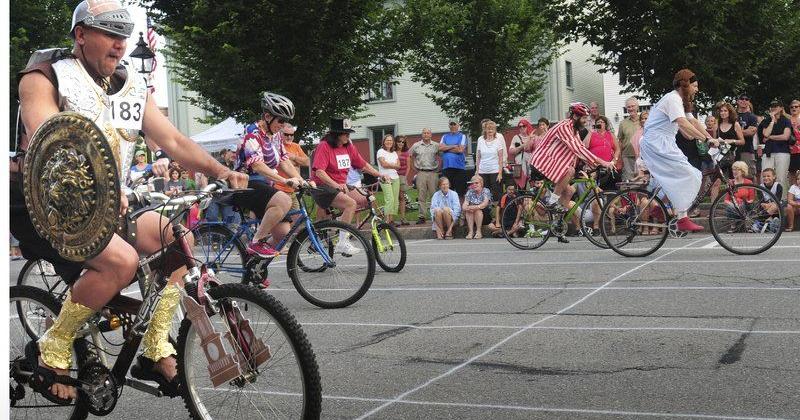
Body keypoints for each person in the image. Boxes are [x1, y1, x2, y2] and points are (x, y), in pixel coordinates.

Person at [11, 0, 250, 402]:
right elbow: (49, 140)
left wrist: (221, 171)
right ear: (81, 35)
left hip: (109, 204)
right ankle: (53, 348)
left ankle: (156, 349)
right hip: (44, 197)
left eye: (124, 36)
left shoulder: (132, 87)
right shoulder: (44, 75)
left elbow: (173, 141)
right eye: (109, 34)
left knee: (174, 242)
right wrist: (102, 186)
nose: (120, 45)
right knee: (120, 263)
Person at [638, 69, 719, 232]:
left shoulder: (680, 101)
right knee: (692, 174)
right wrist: (706, 139)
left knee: (682, 176)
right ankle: (682, 218)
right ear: (686, 85)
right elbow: (682, 123)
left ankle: (659, 209)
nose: (697, 89)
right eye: (695, 86)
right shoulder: (672, 99)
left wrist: (713, 138)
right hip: (657, 143)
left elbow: (693, 122)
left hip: (663, 143)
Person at [235, 91, 307, 258]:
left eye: (286, 122)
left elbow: (284, 161)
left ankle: (254, 266)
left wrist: (302, 180)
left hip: (263, 185)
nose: (283, 125)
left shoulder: (275, 136)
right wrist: (285, 180)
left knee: (282, 233)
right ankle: (256, 241)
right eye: (280, 120)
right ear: (267, 116)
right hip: (245, 183)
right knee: (284, 199)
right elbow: (258, 165)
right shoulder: (252, 132)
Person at [310, 117, 387, 253]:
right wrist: (335, 184)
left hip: (340, 186)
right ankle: (342, 242)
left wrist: (379, 175)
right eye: (345, 133)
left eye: (349, 133)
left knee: (367, 198)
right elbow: (320, 172)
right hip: (322, 186)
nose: (348, 136)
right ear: (336, 134)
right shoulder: (324, 146)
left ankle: (339, 224)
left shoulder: (348, 146)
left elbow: (362, 164)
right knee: (350, 204)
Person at [530, 103, 614, 213]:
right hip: (542, 161)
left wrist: (593, 165)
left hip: (553, 163)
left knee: (569, 191)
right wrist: (603, 162)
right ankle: (552, 202)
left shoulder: (574, 129)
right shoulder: (564, 127)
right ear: (575, 116)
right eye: (584, 118)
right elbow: (578, 149)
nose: (586, 121)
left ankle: (557, 222)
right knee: (570, 171)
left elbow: (581, 147)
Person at [758, 99, 792, 199]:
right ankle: (765, 200)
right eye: (772, 106)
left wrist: (770, 137)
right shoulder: (766, 120)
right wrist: (772, 120)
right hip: (768, 152)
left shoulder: (786, 120)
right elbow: (765, 133)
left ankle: (782, 200)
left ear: (781, 108)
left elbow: (785, 137)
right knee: (764, 177)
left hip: (783, 152)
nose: (774, 108)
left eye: (776, 106)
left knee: (781, 178)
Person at [475, 120, 506, 226]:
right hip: (483, 171)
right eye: (488, 129)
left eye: (492, 129)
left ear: (495, 130)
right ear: (485, 129)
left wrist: (500, 173)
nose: (490, 131)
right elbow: (478, 156)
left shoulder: (498, 141)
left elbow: (501, 157)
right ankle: (486, 219)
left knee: (497, 196)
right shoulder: (480, 140)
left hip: (495, 171)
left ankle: (498, 220)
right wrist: (477, 172)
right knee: (485, 195)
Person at [274, 124, 310, 210]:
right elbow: (284, 164)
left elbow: (307, 162)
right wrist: (297, 162)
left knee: (297, 217)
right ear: (280, 134)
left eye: (292, 135)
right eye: (286, 134)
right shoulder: (277, 146)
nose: (289, 137)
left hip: (293, 189)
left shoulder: (295, 146)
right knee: (283, 219)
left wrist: (293, 157)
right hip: (279, 188)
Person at [408, 128, 440, 224]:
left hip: (433, 172)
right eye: (424, 133)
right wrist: (413, 168)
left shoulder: (436, 145)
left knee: (434, 195)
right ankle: (422, 216)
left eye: (428, 133)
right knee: (422, 195)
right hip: (421, 172)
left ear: (431, 135)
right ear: (422, 135)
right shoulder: (416, 145)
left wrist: (439, 168)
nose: (426, 134)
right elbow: (409, 155)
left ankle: (435, 215)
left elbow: (443, 156)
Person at [203, 145, 240, 224]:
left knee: (231, 220)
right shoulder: (216, 162)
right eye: (233, 152)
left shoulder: (235, 165)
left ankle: (226, 235)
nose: (235, 155)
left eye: (236, 153)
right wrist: (206, 191)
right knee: (212, 219)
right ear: (226, 152)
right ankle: (214, 235)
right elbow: (204, 177)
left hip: (227, 196)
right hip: (213, 195)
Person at [584, 115, 621, 190]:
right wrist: (590, 132)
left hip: (608, 165)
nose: (600, 123)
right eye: (598, 122)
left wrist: (614, 160)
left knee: (612, 186)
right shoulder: (592, 134)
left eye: (602, 122)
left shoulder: (610, 134)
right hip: (594, 166)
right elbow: (584, 146)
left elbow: (617, 149)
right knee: (595, 188)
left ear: (605, 124)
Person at [376, 134, 401, 225]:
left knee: (395, 200)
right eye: (387, 140)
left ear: (393, 142)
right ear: (384, 141)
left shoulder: (394, 153)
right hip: (385, 178)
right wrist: (393, 165)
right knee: (389, 199)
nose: (389, 142)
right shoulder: (380, 151)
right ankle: (386, 221)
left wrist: (390, 164)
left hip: (395, 178)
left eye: (391, 140)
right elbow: (383, 164)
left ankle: (391, 220)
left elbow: (399, 166)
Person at [439, 121, 468, 198]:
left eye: (454, 124)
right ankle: (448, 210)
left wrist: (446, 148)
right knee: (447, 191)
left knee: (460, 193)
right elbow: (440, 148)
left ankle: (461, 209)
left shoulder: (462, 136)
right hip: (447, 168)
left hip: (459, 168)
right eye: (451, 124)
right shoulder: (444, 136)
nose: (453, 126)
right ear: (449, 126)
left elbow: (460, 150)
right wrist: (454, 146)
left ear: (458, 125)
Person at [616, 97, 640, 180]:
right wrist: (619, 159)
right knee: (628, 182)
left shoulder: (644, 121)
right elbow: (620, 142)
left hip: (642, 157)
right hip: (627, 157)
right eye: (628, 107)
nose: (631, 108)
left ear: (637, 107)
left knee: (641, 182)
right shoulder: (623, 123)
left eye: (633, 106)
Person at [736, 94, 760, 177]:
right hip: (732, 150)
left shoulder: (752, 117)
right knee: (732, 177)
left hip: (747, 150)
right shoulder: (732, 115)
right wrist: (744, 131)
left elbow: (751, 133)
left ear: (749, 102)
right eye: (742, 98)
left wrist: (735, 131)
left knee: (748, 176)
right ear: (738, 101)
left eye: (746, 99)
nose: (744, 100)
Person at [462, 175, 492, 239]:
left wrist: (473, 207)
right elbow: (464, 205)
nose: (474, 185)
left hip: (485, 216)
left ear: (481, 183)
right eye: (472, 183)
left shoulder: (486, 190)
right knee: (469, 211)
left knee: (477, 210)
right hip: (472, 216)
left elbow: (484, 204)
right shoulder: (469, 191)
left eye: (476, 183)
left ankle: (479, 231)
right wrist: (468, 208)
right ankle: (471, 232)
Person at [509, 119, 535, 188]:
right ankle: (520, 198)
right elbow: (511, 151)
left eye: (524, 126)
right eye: (520, 126)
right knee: (518, 186)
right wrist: (521, 147)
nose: (522, 128)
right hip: (518, 165)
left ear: (527, 126)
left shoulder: (533, 137)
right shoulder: (516, 137)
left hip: (531, 164)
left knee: (532, 184)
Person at [395, 136, 411, 225]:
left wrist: (405, 177)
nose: (401, 143)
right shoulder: (392, 152)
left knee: (401, 198)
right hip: (393, 177)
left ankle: (403, 218)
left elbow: (408, 167)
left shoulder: (406, 153)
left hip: (402, 177)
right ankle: (391, 219)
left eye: (403, 142)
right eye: (399, 141)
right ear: (396, 142)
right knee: (393, 199)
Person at [788, 99, 800, 187]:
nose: (794, 108)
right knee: (791, 172)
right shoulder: (787, 119)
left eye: (796, 106)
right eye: (792, 107)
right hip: (790, 149)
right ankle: (792, 193)